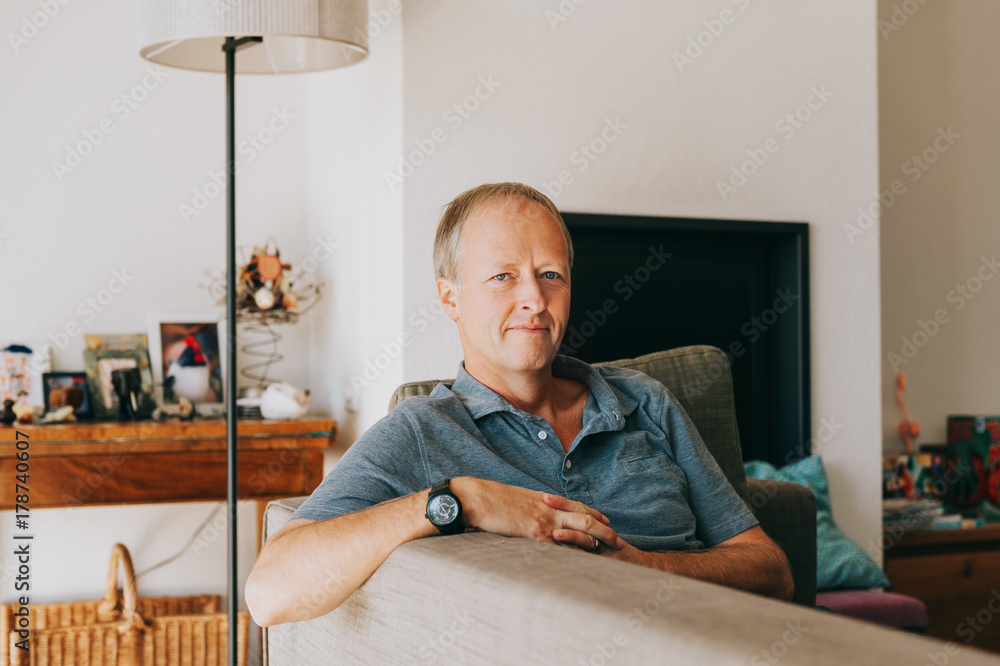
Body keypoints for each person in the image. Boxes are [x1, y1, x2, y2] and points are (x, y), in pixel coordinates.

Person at [245, 183, 794, 627]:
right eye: (503, 277)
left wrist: (645, 568)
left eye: (550, 275)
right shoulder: (422, 431)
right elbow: (270, 592)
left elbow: (772, 570)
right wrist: (460, 499)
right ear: (450, 297)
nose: (534, 299)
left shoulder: (644, 399)